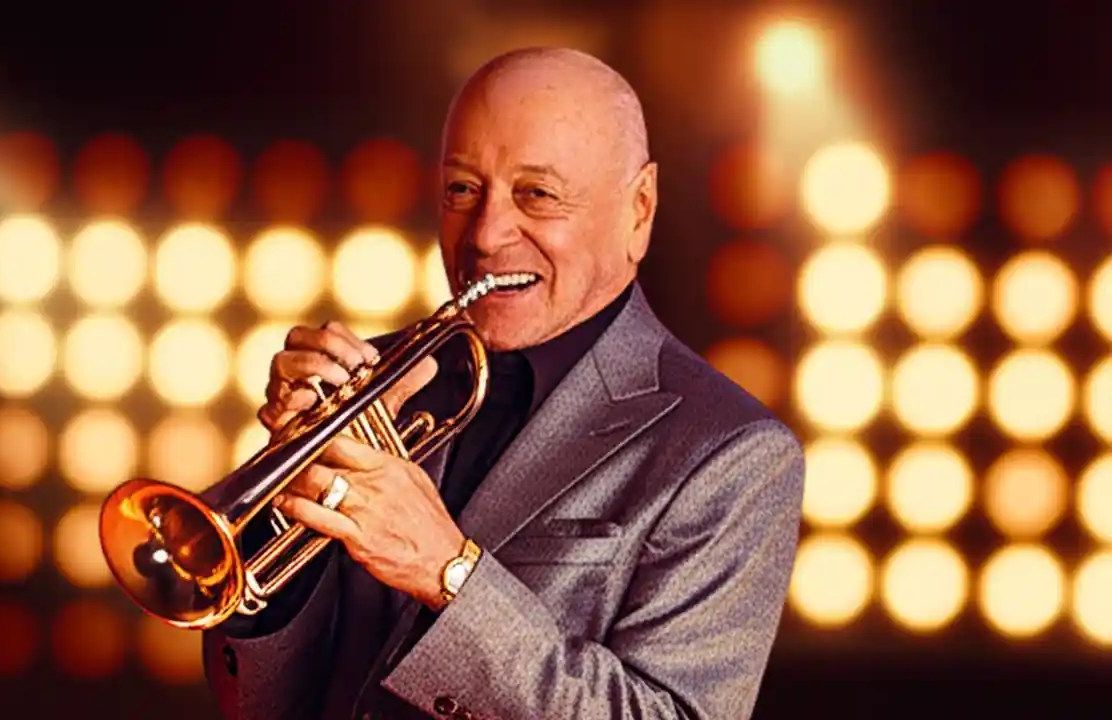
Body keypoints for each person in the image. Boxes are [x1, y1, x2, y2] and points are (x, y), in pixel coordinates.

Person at [200, 46, 805, 720]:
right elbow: (261, 704)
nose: (485, 235)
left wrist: (449, 574)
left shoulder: (732, 453)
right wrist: (278, 514)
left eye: (537, 195)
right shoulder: (373, 381)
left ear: (638, 210)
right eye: (463, 189)